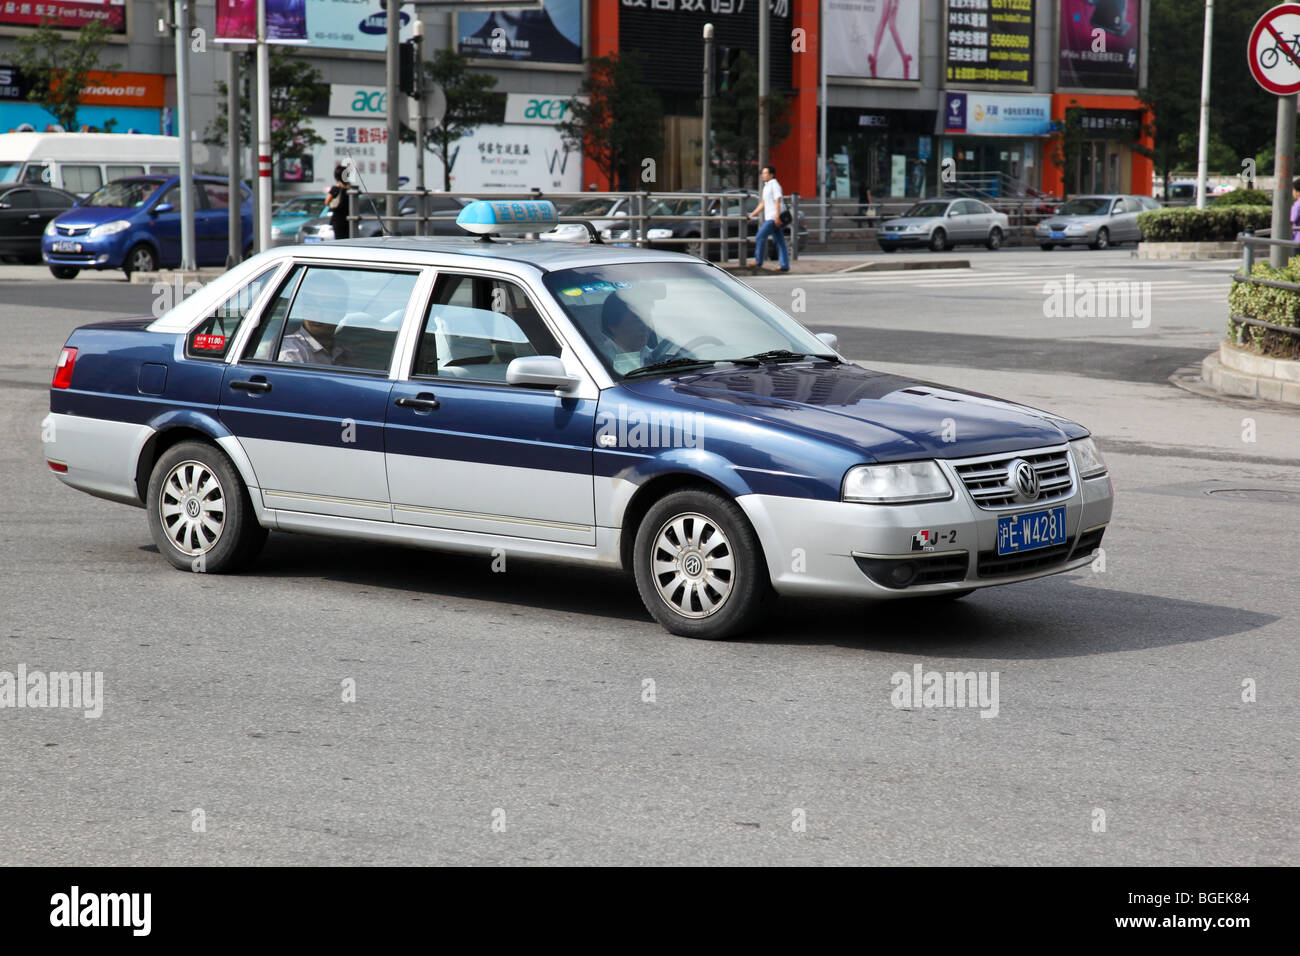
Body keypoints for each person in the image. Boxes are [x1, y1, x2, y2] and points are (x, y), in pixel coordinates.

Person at [278, 272, 356, 366]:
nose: (317, 313)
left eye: (327, 306)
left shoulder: (343, 351)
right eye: (311, 305)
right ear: (303, 307)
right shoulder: (290, 353)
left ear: (342, 311)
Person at [748, 164, 790, 272]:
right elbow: (763, 203)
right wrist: (753, 214)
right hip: (771, 217)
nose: (763, 175)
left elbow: (778, 200)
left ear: (771, 175)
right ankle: (784, 265)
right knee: (779, 242)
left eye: (765, 173)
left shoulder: (774, 185)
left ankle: (758, 261)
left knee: (760, 236)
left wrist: (776, 217)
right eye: (762, 173)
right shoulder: (766, 186)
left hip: (773, 218)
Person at [326, 165, 350, 241]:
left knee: (340, 240)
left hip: (338, 218)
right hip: (348, 218)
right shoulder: (351, 189)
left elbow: (327, 202)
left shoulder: (335, 189)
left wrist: (334, 205)